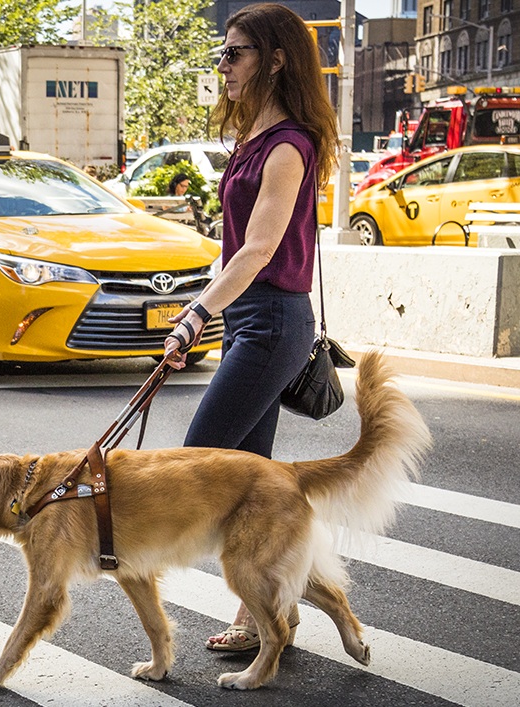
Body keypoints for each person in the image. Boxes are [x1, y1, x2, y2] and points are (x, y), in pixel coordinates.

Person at [161, 3, 338, 653]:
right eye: (222, 54)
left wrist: (196, 314)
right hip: (249, 321)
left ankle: (277, 597)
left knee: (196, 464)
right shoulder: (249, 142)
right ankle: (269, 612)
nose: (223, 66)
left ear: (276, 59)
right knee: (250, 476)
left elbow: (259, 248)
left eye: (234, 53)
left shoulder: (288, 146)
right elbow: (233, 246)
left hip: (273, 323)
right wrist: (206, 308)